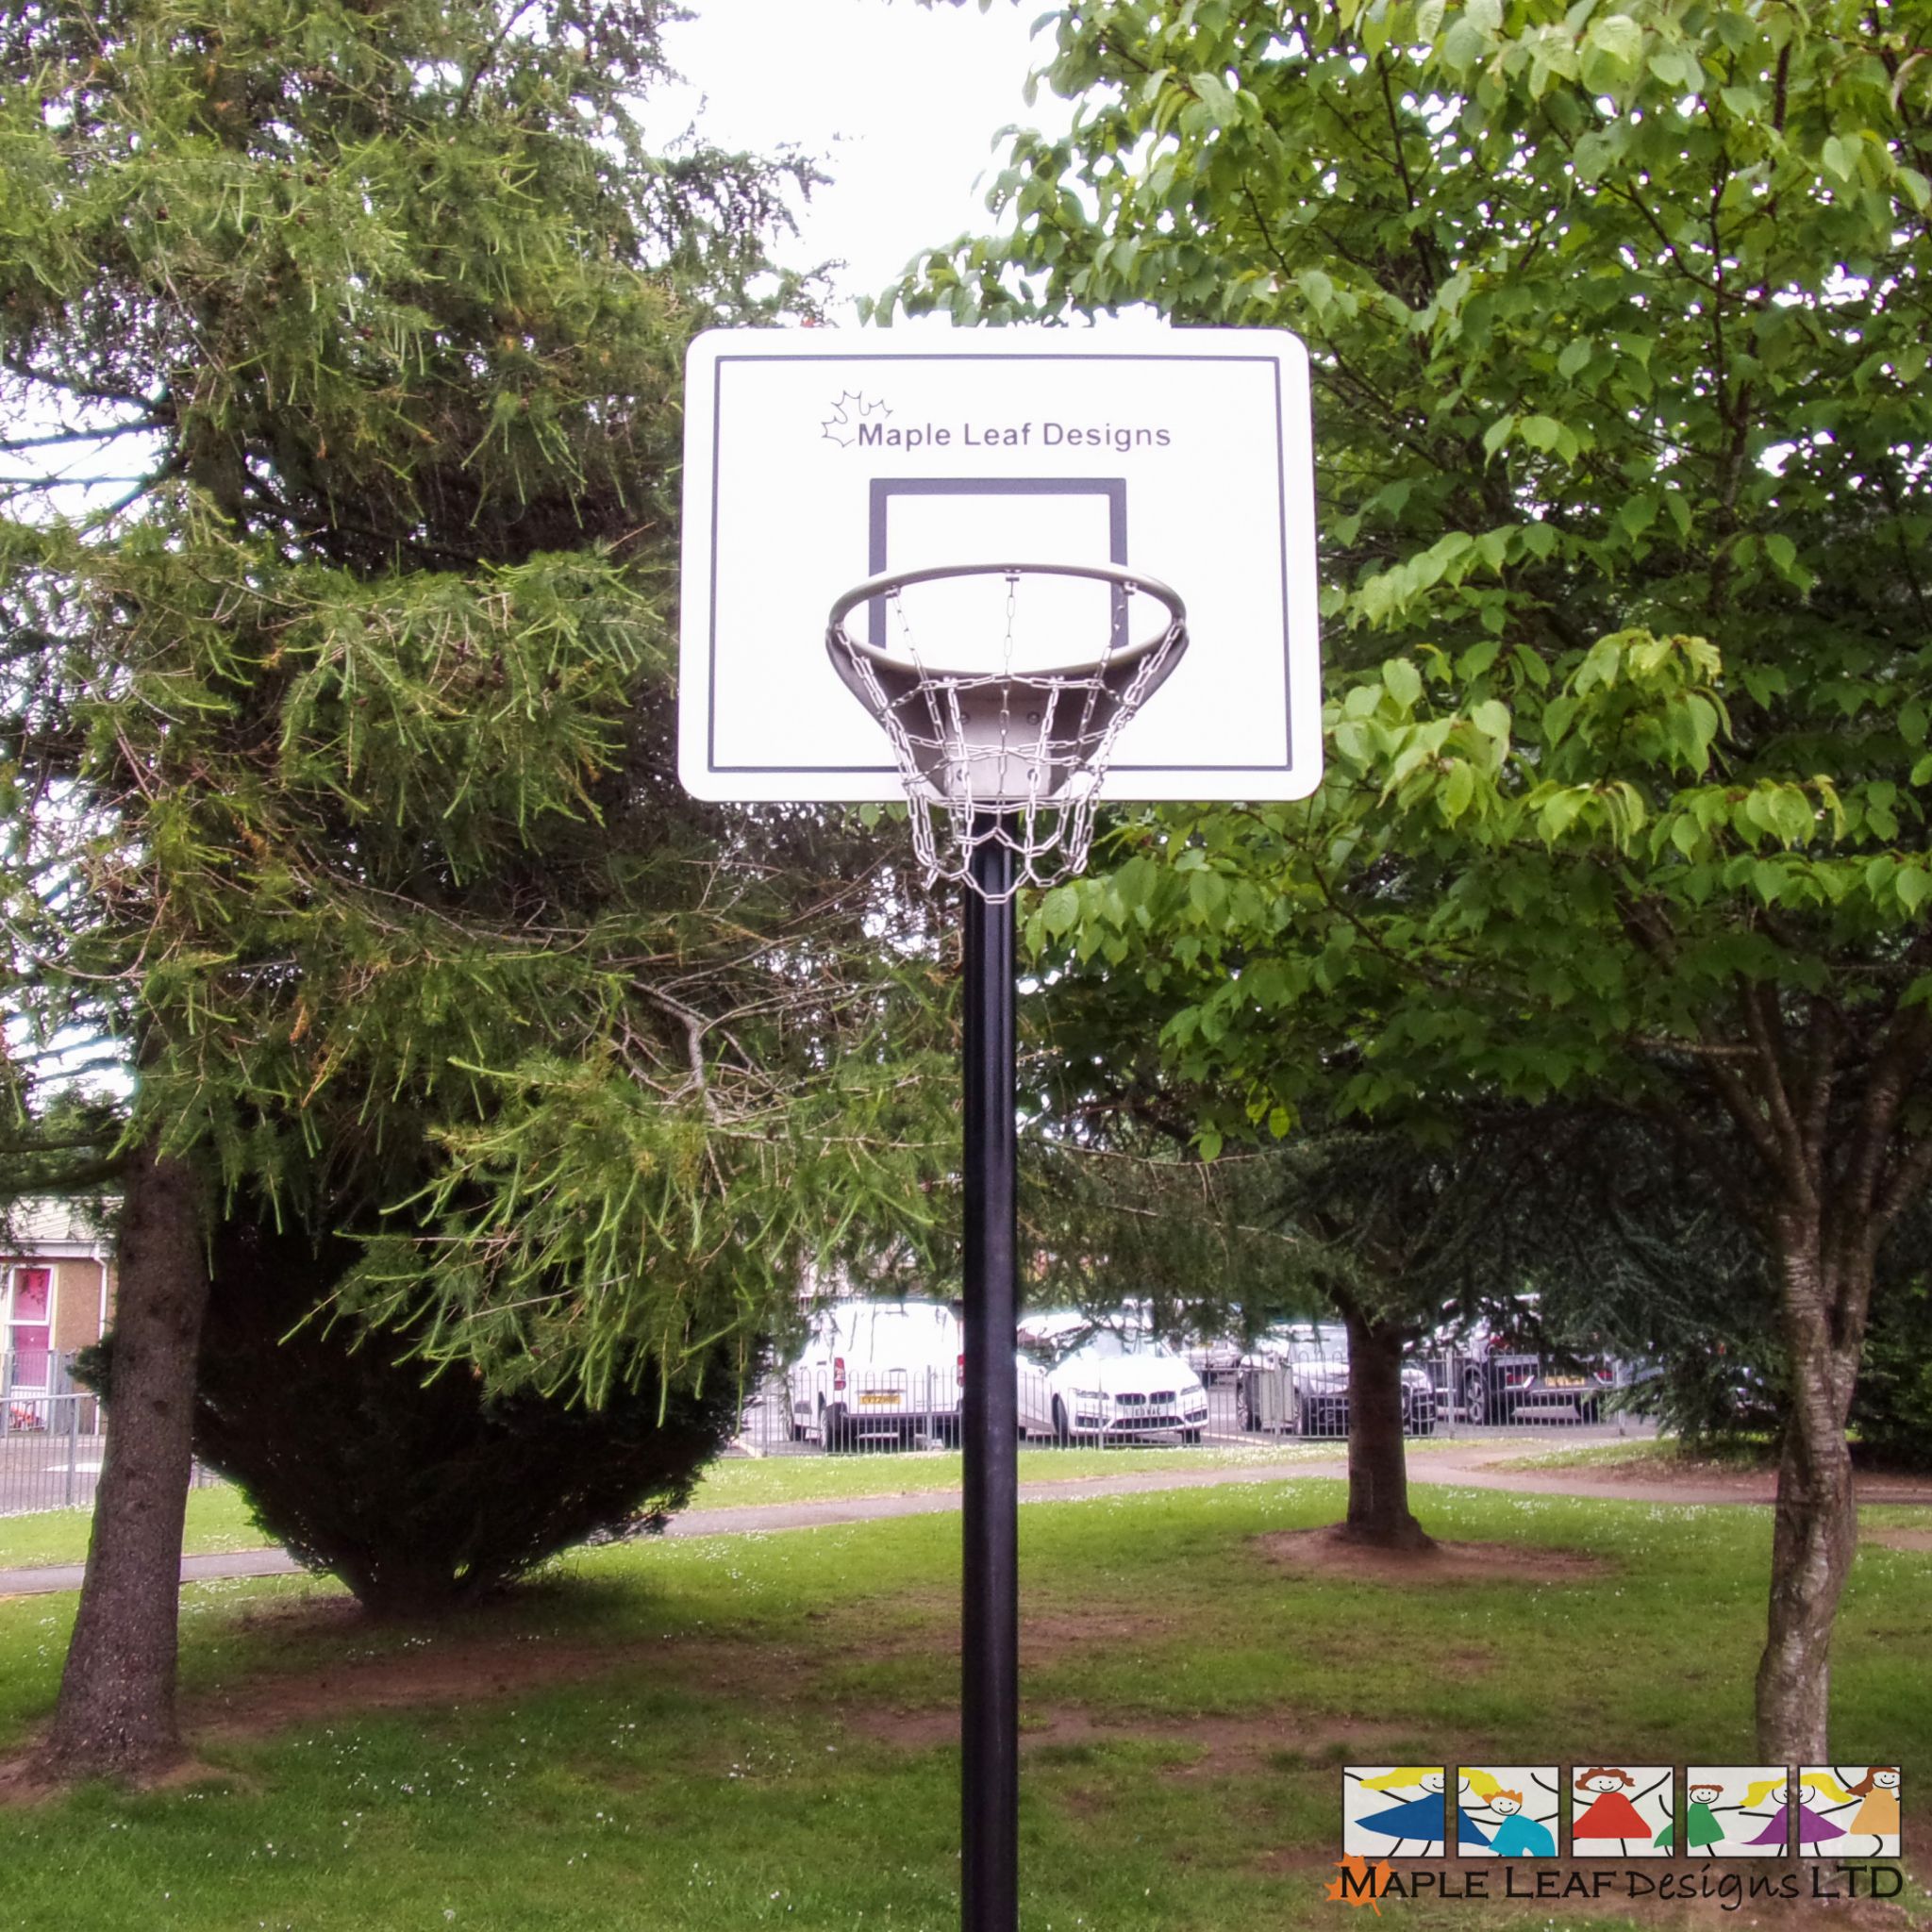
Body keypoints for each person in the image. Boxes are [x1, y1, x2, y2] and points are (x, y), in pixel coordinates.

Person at [1484, 1789, 1556, 1857]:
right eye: (1501, 1803)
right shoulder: (1512, 1821)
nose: (1505, 1806)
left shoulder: (1514, 1821)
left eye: (1510, 1803)